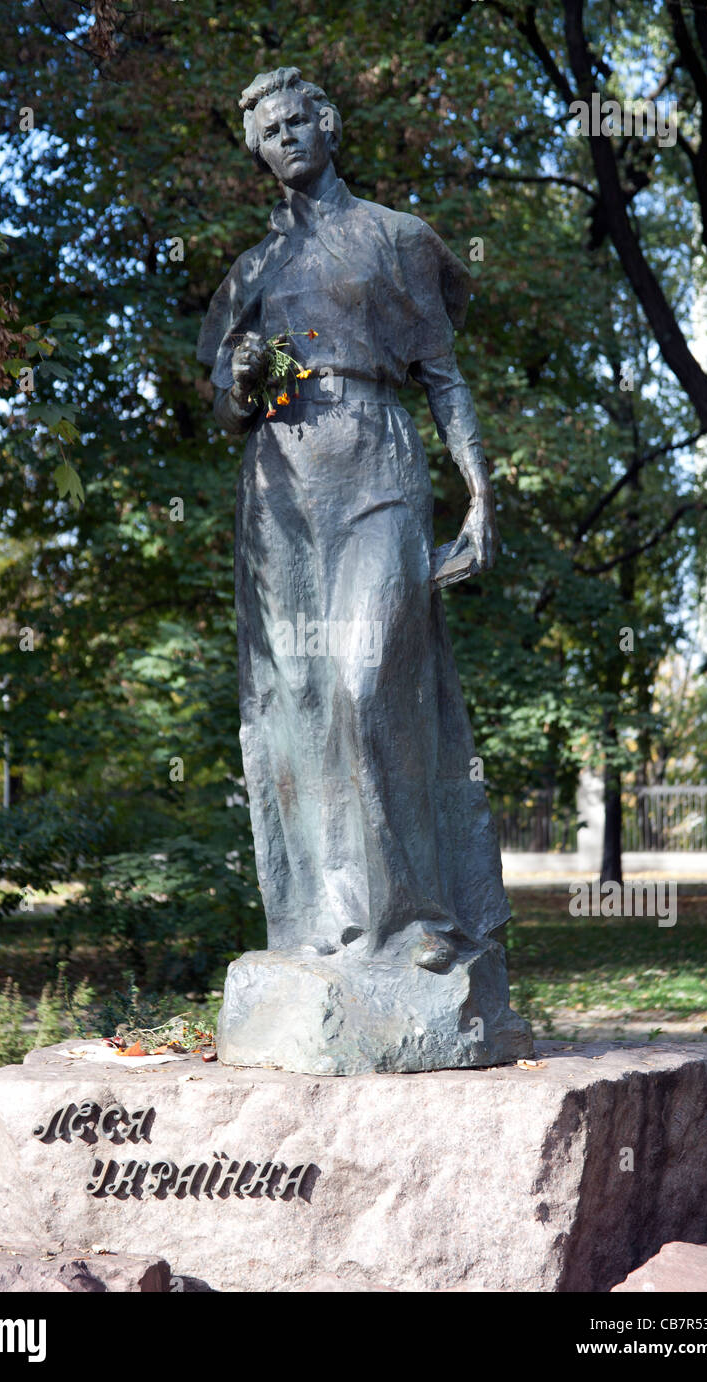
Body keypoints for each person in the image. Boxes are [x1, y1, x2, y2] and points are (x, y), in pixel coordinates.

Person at [198, 66, 511, 973]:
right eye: (270, 130)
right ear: (256, 151)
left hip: (377, 465)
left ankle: (419, 919)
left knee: (371, 683)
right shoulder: (251, 271)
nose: (288, 136)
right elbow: (226, 406)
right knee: (298, 705)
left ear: (329, 126)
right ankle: (317, 926)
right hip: (281, 499)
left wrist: (482, 497)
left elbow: (444, 376)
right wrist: (245, 377)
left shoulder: (396, 238)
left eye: (301, 119)